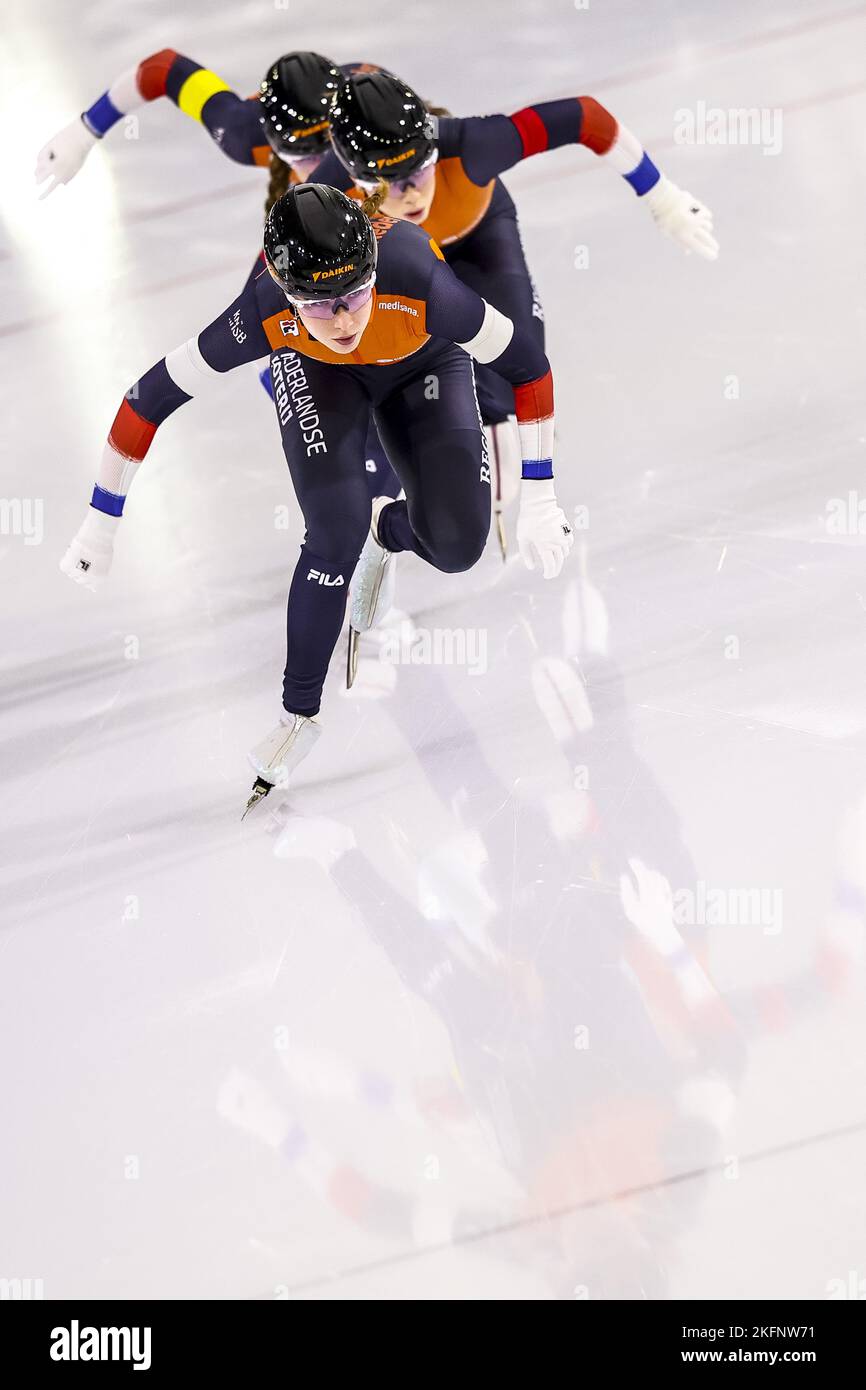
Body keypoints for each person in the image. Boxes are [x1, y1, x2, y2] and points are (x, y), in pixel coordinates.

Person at [59, 185, 573, 815]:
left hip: (424, 363)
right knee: (336, 526)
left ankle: (393, 531)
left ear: (374, 272)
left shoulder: (420, 280)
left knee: (459, 548)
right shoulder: (261, 311)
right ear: (283, 284)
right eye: (320, 305)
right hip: (318, 374)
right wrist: (99, 520)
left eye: (355, 295)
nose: (345, 320)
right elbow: (147, 398)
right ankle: (299, 714)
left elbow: (529, 366)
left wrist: (543, 497)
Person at [314, 69, 718, 543]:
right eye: (391, 182)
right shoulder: (328, 197)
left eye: (420, 170)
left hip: (478, 238)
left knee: (514, 364)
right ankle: (389, 520)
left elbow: (585, 116)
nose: (413, 192)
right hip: (394, 263)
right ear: (355, 176)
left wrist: (662, 195)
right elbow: (273, 272)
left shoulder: (473, 146)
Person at [34, 48, 403, 506]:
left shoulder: (376, 138)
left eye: (325, 150)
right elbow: (165, 68)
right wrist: (85, 130)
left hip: (378, 187)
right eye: (295, 155)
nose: (314, 169)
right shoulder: (243, 129)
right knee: (276, 329)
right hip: (323, 218)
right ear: (273, 143)